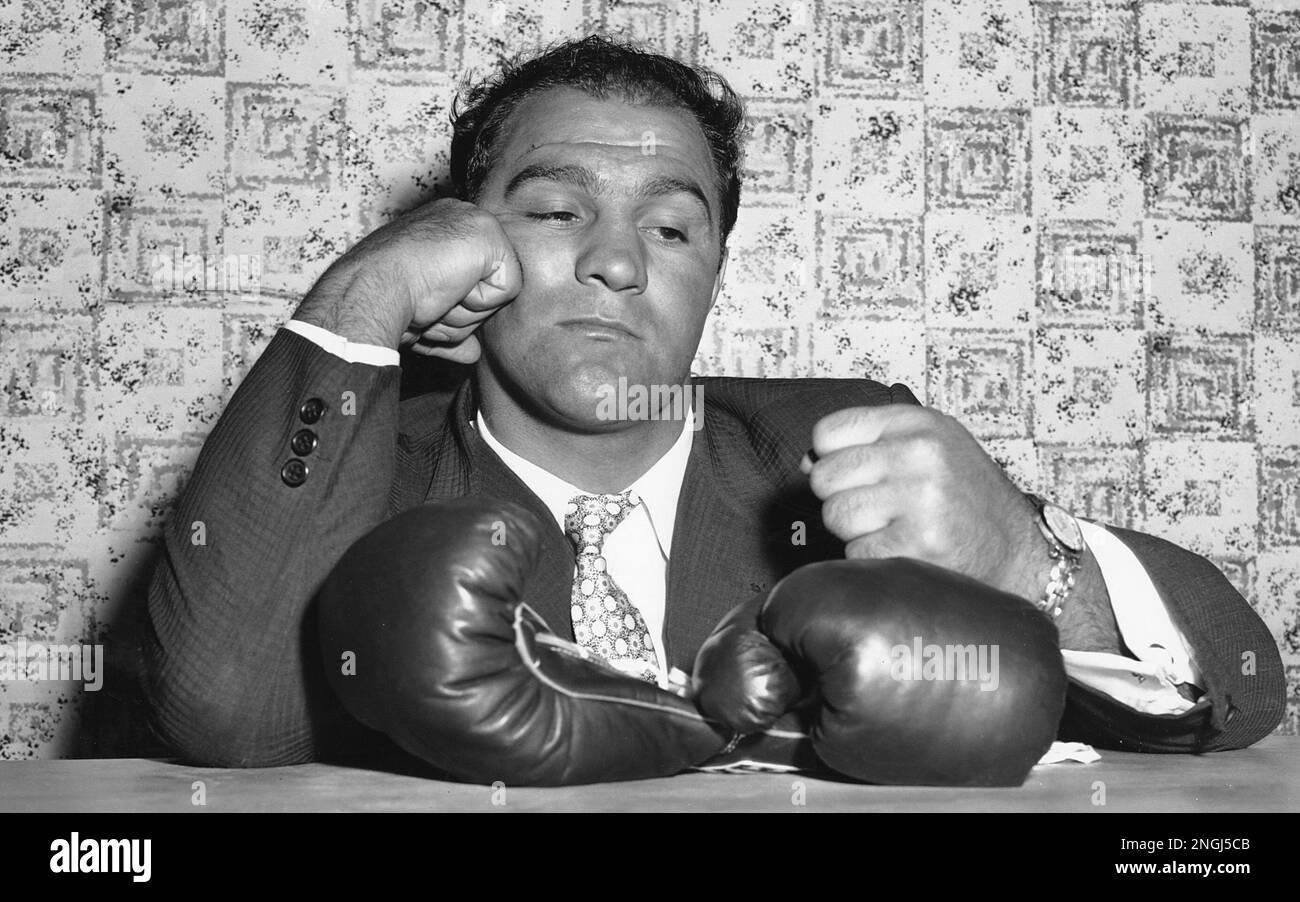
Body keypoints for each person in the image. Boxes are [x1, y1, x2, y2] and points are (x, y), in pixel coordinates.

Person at [139, 34, 1284, 769]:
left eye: (672, 225)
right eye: (553, 210)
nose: (619, 261)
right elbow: (224, 711)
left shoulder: (838, 446)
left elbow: (1240, 689)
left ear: (711, 274)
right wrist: (360, 289)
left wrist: (1029, 561)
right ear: (461, 239)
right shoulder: (361, 478)